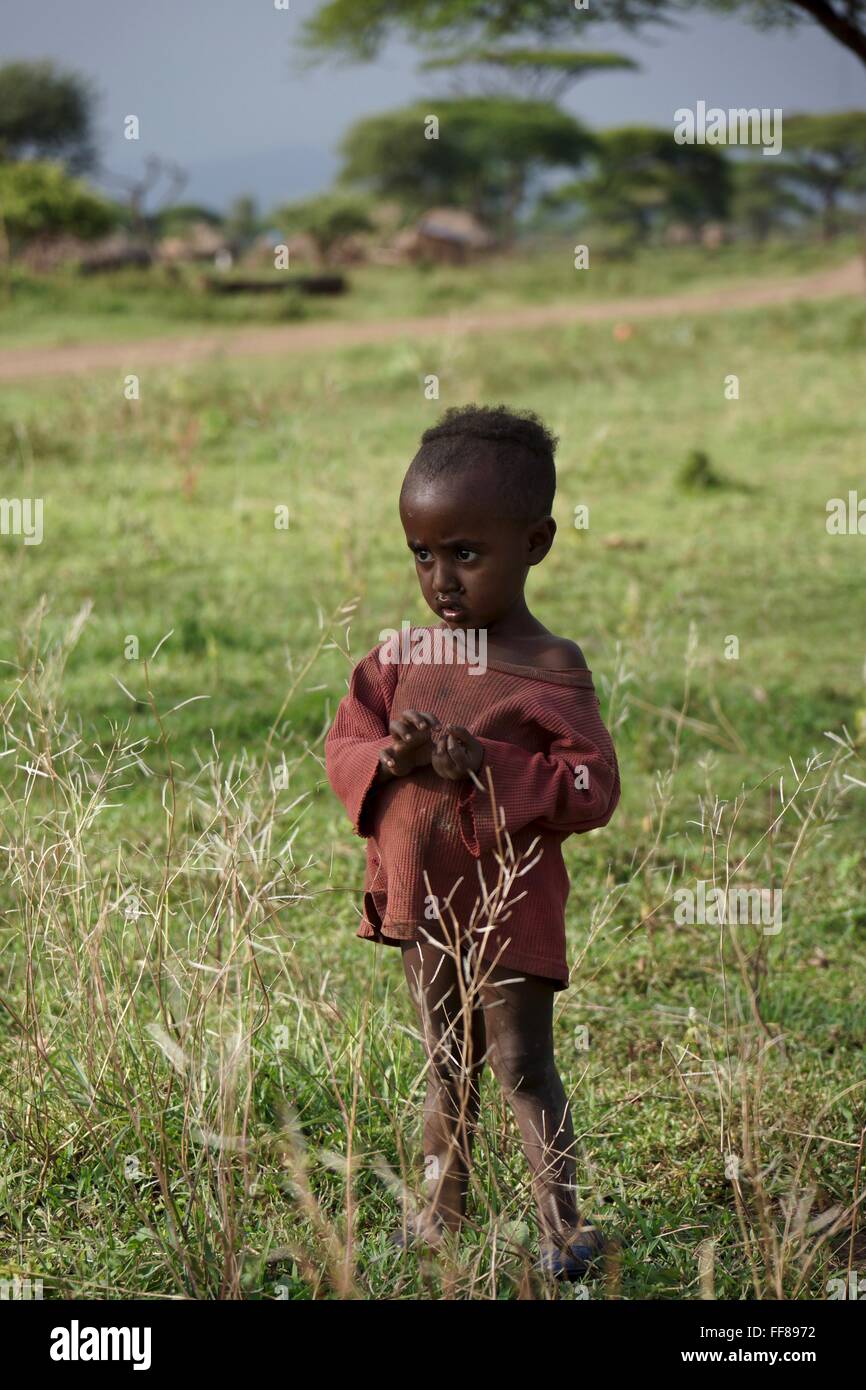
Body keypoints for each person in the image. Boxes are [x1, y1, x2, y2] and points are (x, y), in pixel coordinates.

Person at [325, 404, 621, 1280]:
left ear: (536, 542)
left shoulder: (550, 665)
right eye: (423, 553)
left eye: (467, 553)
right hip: (426, 902)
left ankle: (562, 1230)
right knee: (445, 1061)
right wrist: (397, 755)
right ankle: (437, 1215)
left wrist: (483, 762)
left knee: (524, 1065)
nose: (441, 578)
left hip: (510, 904)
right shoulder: (402, 655)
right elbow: (344, 742)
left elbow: (590, 786)